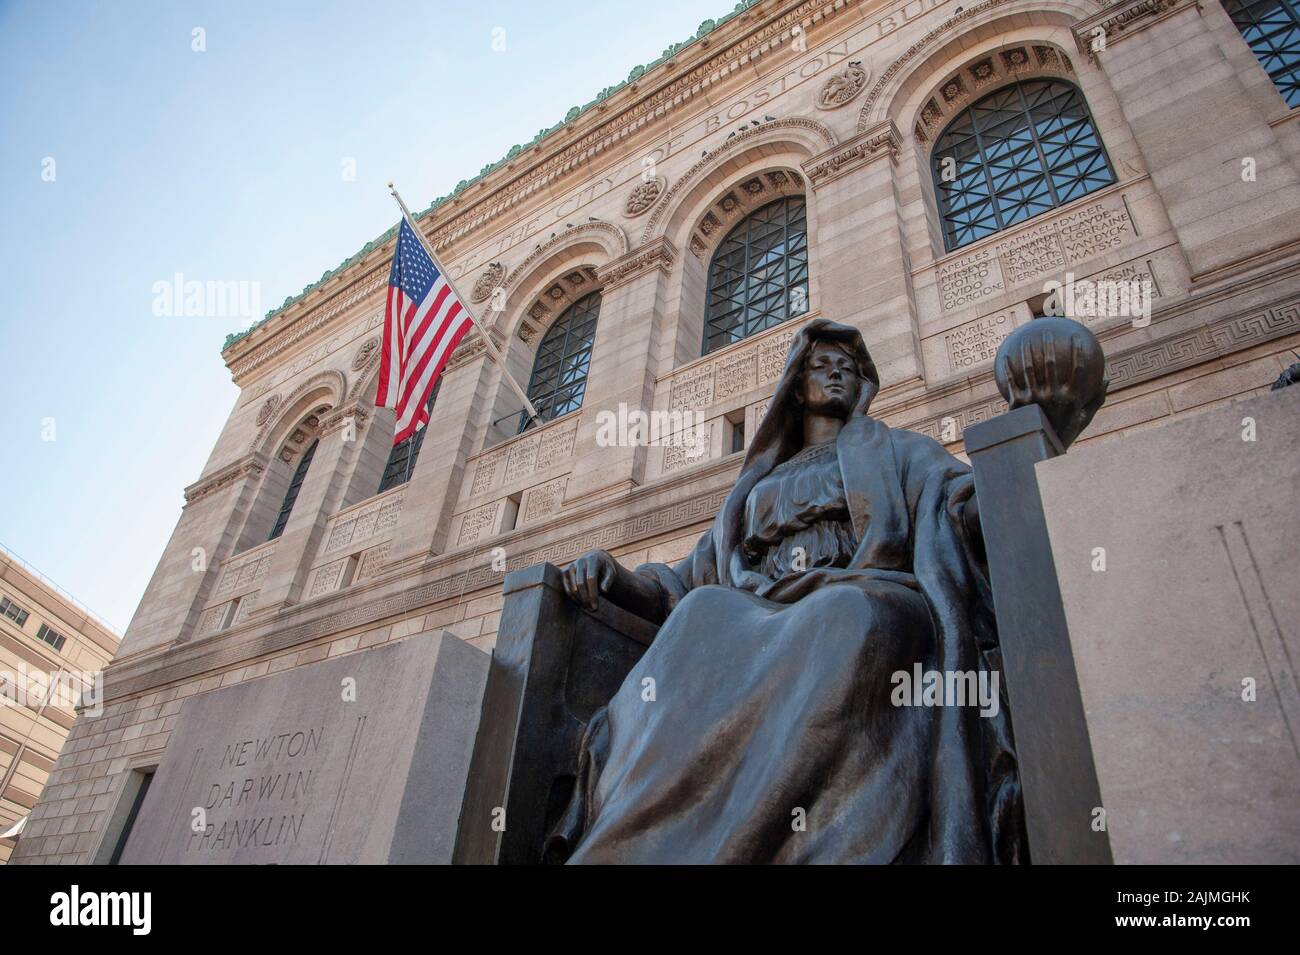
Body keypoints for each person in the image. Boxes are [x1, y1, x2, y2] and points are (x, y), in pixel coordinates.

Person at [551, 318, 1024, 864]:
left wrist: (1022, 439)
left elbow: (958, 504)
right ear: (796, 386)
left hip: (867, 590)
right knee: (704, 609)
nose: (837, 375)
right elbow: (685, 581)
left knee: (842, 614)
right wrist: (616, 575)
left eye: (848, 368)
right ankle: (628, 846)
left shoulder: (896, 449)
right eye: (823, 366)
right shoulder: (754, 486)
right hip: (762, 606)